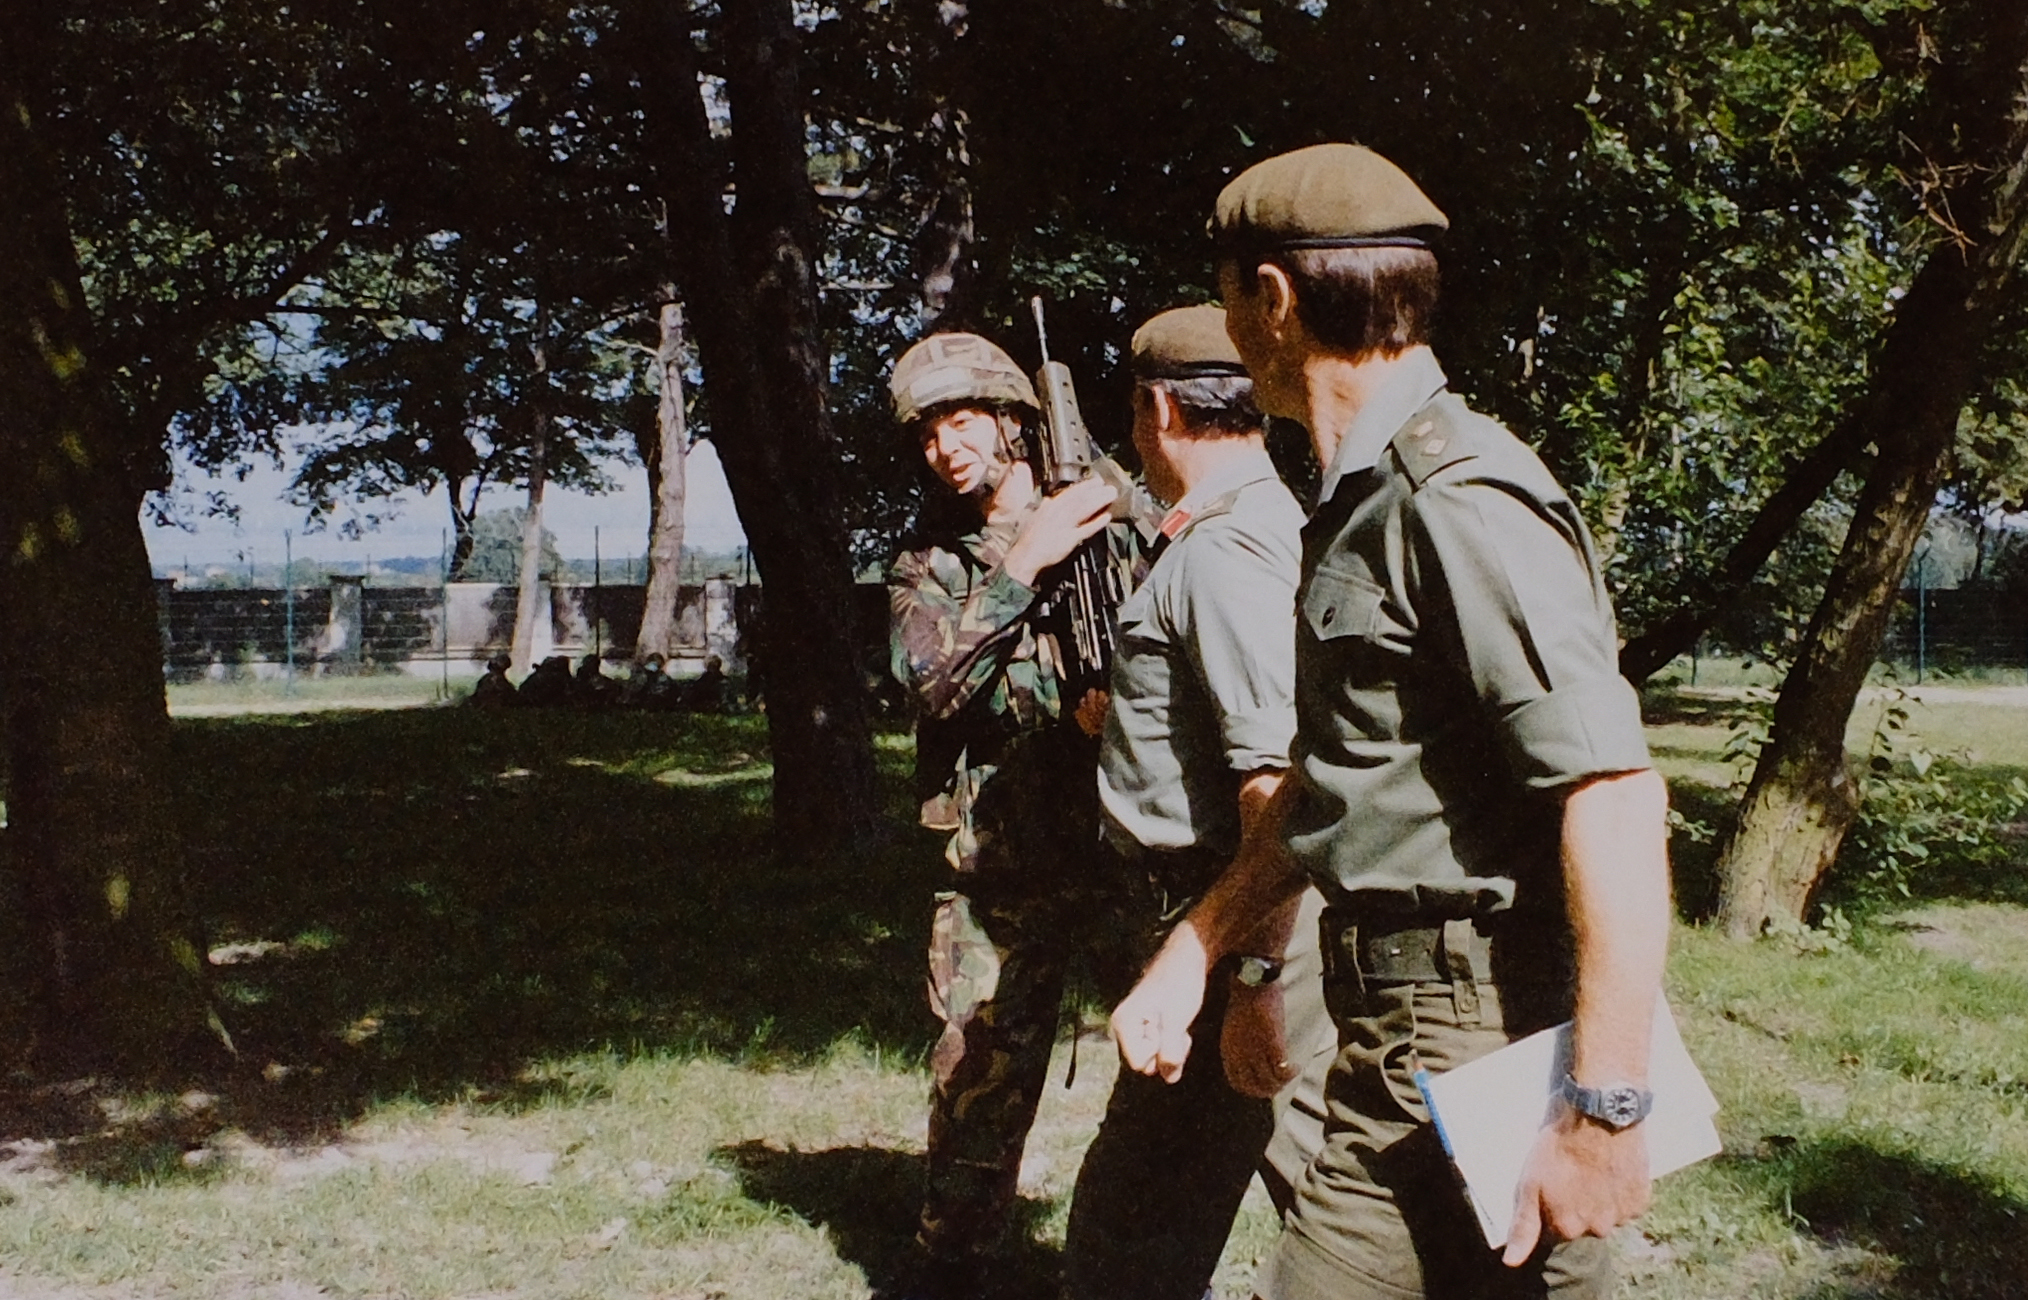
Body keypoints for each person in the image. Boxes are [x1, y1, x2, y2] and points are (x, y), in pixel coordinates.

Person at [1111, 144, 1673, 1300]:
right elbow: (1337, 780)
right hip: (1390, 1035)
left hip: (1488, 1034)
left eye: (1228, 297)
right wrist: (1201, 948)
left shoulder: (1457, 496)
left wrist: (1608, 1104)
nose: (1228, 327)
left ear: (1271, 300)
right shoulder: (1360, 502)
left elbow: (1612, 797)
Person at [1062, 306, 1336, 1300]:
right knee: (1316, 1184)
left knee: (1128, 1226)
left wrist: (1256, 973)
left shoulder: (1227, 550)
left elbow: (1278, 780)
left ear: (1159, 408)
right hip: (1219, 927)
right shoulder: (1232, 531)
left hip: (1229, 928)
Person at [885, 330, 1134, 1299]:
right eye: (928, 433)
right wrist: (1023, 564)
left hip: (1127, 847)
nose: (945, 447)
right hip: (1002, 863)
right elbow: (928, 684)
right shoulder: (929, 563)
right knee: (974, 1082)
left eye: (960, 421)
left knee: (1188, 1066)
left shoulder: (1115, 510)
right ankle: (951, 1264)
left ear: (1012, 421)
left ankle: (1160, 1253)